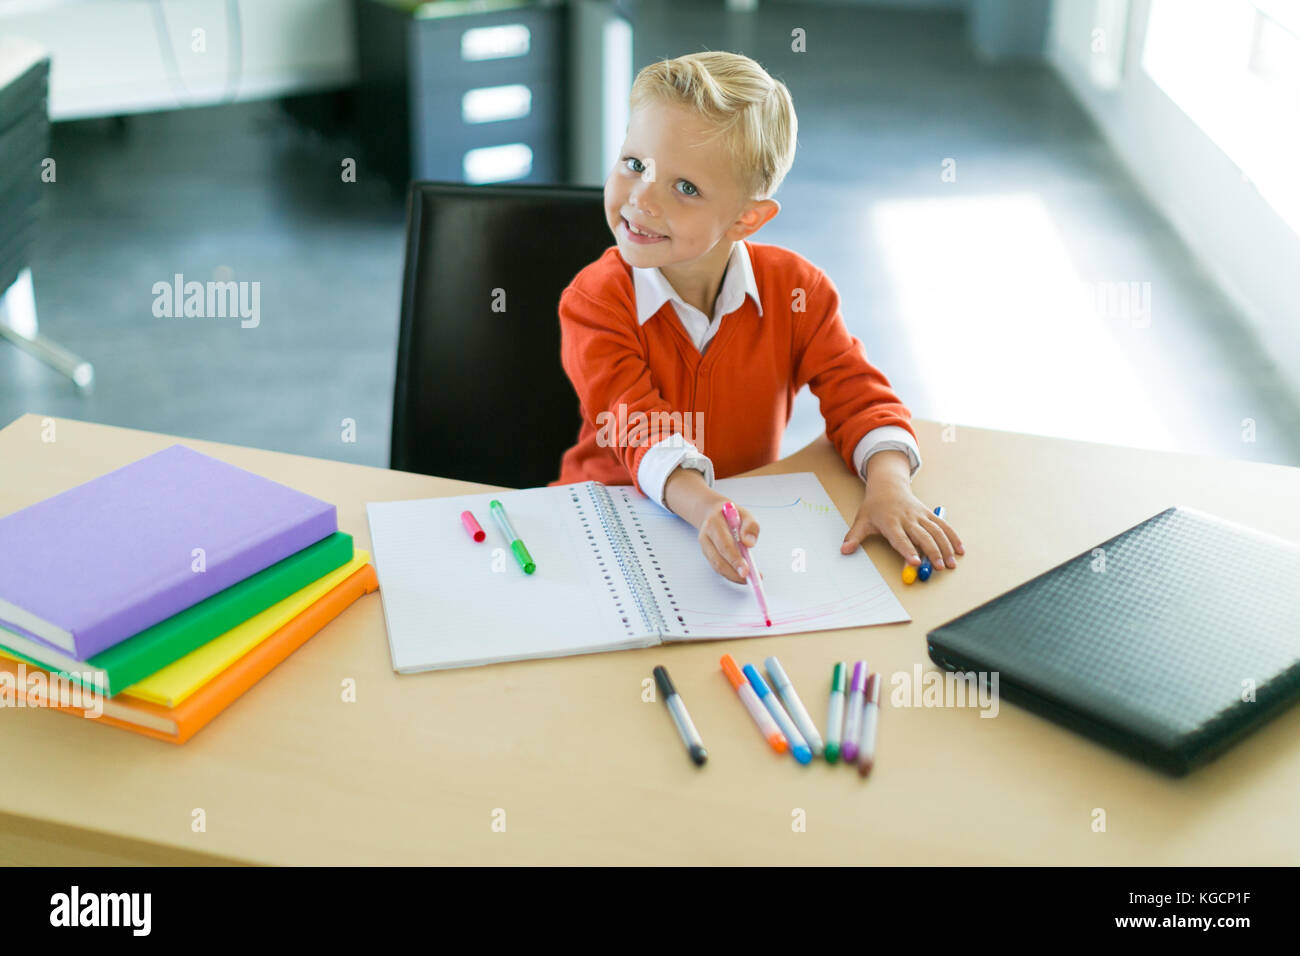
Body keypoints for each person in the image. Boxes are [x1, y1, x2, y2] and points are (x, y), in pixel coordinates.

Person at [550, 51, 962, 584]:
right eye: (635, 164)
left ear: (748, 217)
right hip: (606, 526)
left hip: (731, 534)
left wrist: (889, 485)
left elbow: (858, 394)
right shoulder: (597, 301)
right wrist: (703, 507)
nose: (642, 198)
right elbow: (638, 427)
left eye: (686, 187)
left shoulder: (798, 293)